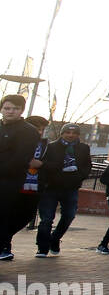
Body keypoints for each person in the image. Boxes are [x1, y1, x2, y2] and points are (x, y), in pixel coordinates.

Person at [36, 123, 91, 255]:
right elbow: (43, 165)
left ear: (78, 135)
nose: (71, 135)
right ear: (62, 133)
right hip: (51, 188)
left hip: (71, 188)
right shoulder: (51, 147)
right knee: (47, 219)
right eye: (68, 132)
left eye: (74, 133)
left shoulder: (83, 148)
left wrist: (80, 176)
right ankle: (42, 247)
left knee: (69, 215)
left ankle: (55, 239)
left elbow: (87, 166)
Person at [0, 95, 43, 260]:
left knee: (5, 217)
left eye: (15, 109)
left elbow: (20, 159)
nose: (10, 112)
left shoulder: (28, 131)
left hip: (9, 182)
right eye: (7, 108)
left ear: (21, 111)